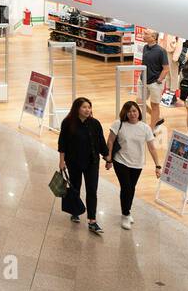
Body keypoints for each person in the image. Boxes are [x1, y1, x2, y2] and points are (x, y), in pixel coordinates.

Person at [106, 100, 161, 230]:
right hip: (121, 161)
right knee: (126, 188)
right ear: (125, 113)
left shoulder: (145, 128)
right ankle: (125, 214)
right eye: (129, 111)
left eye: (134, 111)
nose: (132, 114)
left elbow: (152, 148)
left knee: (132, 188)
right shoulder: (118, 124)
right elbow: (110, 141)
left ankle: (127, 210)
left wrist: (158, 166)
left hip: (137, 163)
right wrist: (109, 159)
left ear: (139, 112)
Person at [57, 97, 108, 235]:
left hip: (92, 162)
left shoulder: (95, 123)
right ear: (77, 108)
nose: (87, 110)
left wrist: (107, 157)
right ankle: (75, 211)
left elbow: (101, 142)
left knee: (92, 190)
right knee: (75, 187)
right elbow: (62, 143)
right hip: (74, 162)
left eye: (89, 107)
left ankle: (92, 220)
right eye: (84, 107)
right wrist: (62, 161)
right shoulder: (68, 123)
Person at [140, 30, 170, 131]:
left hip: (155, 82)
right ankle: (156, 118)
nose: (143, 35)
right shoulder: (145, 47)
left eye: (146, 34)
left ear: (153, 37)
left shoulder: (161, 51)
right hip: (143, 80)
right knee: (139, 101)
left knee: (154, 105)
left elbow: (166, 68)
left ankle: (151, 128)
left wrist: (159, 80)